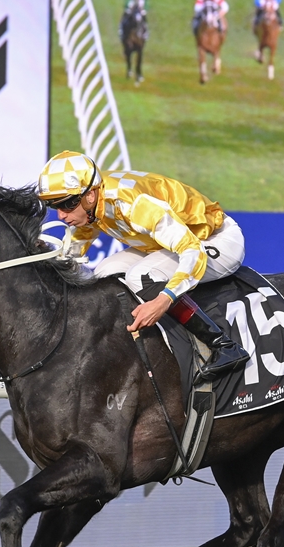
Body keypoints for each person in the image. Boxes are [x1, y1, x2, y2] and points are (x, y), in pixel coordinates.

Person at [38, 151, 249, 383]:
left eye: (67, 205)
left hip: (212, 239)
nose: (61, 215)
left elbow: (191, 250)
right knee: (105, 274)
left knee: (141, 276)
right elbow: (86, 230)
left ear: (90, 195)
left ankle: (222, 345)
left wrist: (164, 300)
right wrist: (57, 264)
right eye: (53, 206)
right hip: (162, 244)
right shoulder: (95, 198)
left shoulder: (133, 204)